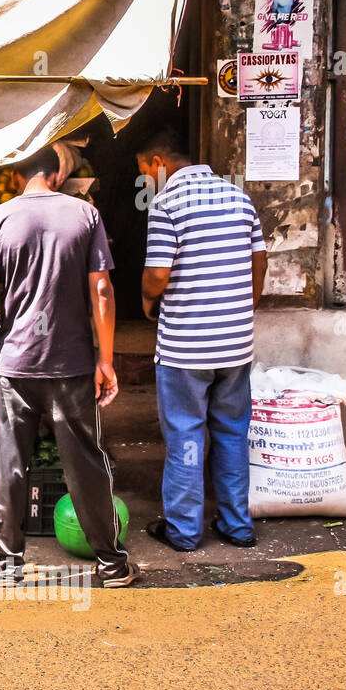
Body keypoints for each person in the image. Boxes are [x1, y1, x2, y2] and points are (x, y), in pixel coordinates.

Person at [0, 145, 136, 587]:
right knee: (85, 463)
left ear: (17, 175)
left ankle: (6, 568)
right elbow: (102, 290)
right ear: (58, 175)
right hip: (72, 364)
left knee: (9, 465)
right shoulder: (85, 216)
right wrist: (105, 359)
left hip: (14, 364)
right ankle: (112, 566)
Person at [137, 130, 268, 551]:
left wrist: (145, 298)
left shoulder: (167, 203)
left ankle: (184, 532)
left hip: (185, 349)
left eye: (143, 169)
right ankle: (237, 526)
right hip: (235, 345)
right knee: (231, 433)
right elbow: (259, 261)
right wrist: (241, 309)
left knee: (186, 436)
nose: (145, 179)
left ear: (158, 160)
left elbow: (158, 274)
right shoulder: (238, 198)